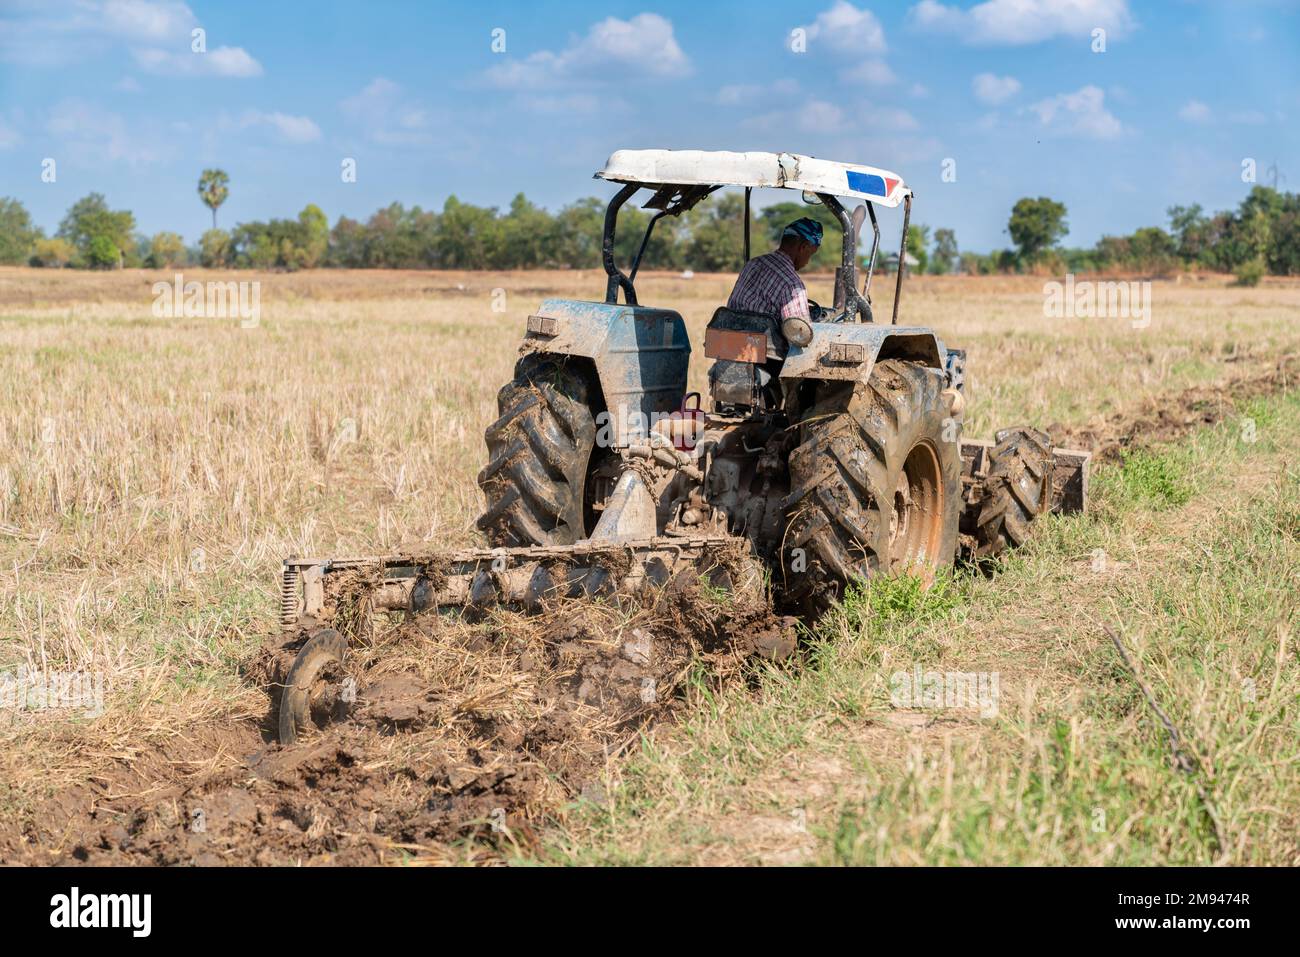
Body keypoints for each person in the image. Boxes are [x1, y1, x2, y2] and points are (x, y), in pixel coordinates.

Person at [726, 216, 822, 323]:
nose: (808, 261)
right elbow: (799, 333)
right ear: (803, 247)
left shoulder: (753, 264)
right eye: (811, 254)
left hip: (729, 331)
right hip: (761, 338)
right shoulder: (792, 285)